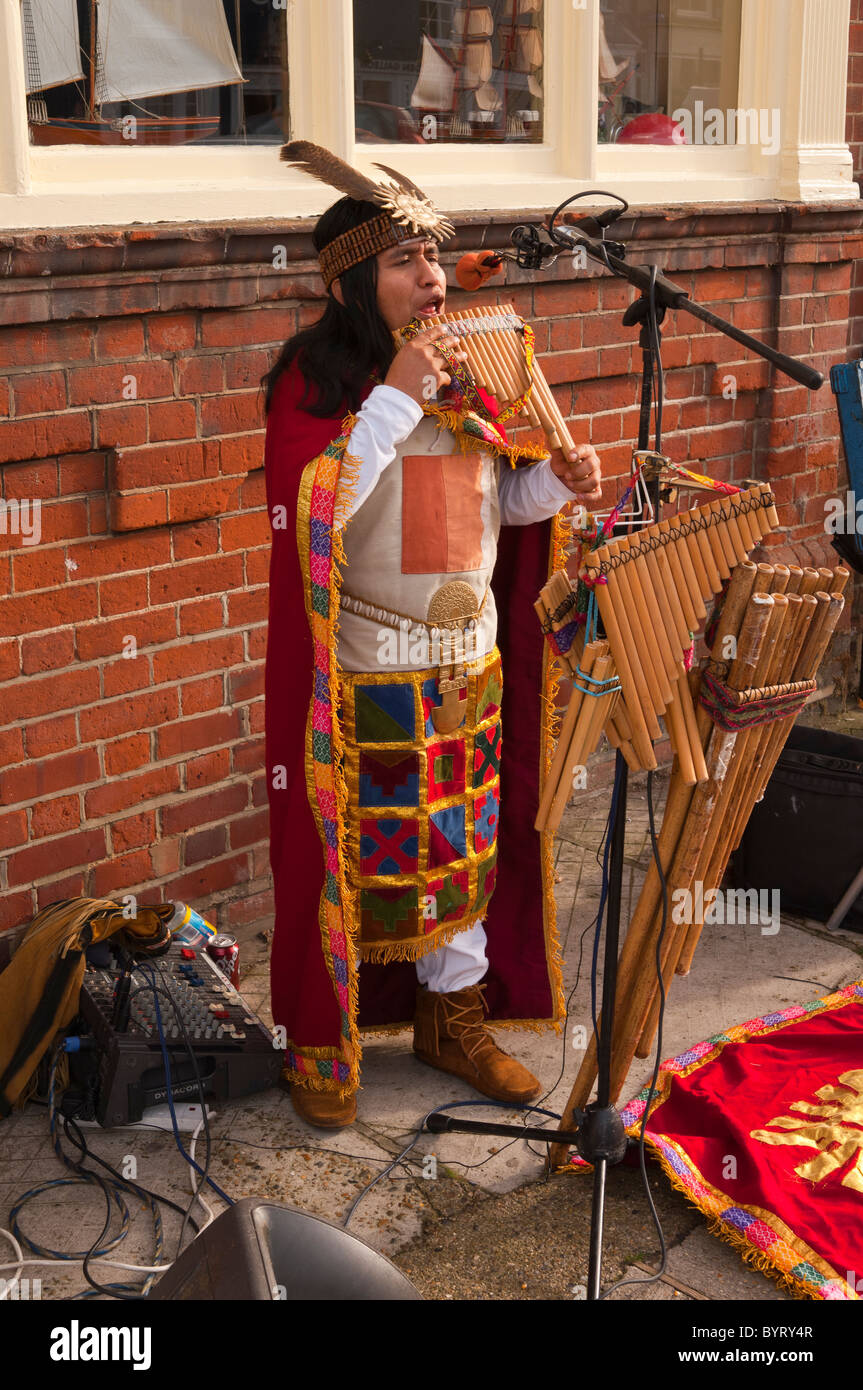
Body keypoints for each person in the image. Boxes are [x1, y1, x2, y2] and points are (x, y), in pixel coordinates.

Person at [263, 144, 602, 1128]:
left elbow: (498, 508)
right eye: (407, 259)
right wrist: (396, 395)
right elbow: (319, 512)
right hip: (366, 668)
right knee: (361, 851)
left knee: (461, 846)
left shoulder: (477, 368)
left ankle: (454, 1019)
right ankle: (332, 1032)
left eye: (434, 257)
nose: (433, 277)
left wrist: (556, 486)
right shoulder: (313, 382)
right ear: (353, 280)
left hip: (468, 662)